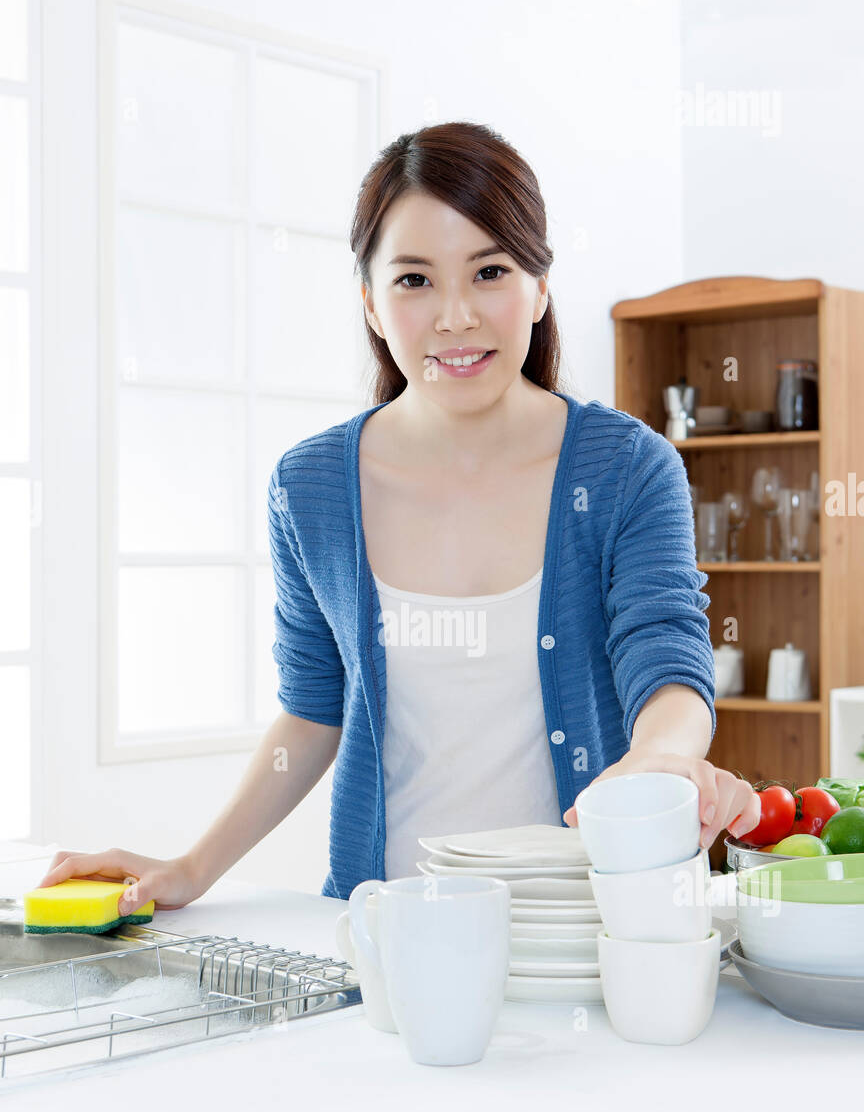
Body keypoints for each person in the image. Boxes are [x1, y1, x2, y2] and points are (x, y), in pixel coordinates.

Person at [36, 121, 760, 912]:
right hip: (385, 933)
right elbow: (313, 709)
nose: (454, 316)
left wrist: (659, 758)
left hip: (585, 927)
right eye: (414, 280)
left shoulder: (628, 470)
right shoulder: (307, 486)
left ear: (541, 287)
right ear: (371, 304)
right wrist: (191, 868)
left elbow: (666, 654)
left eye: (490, 271)